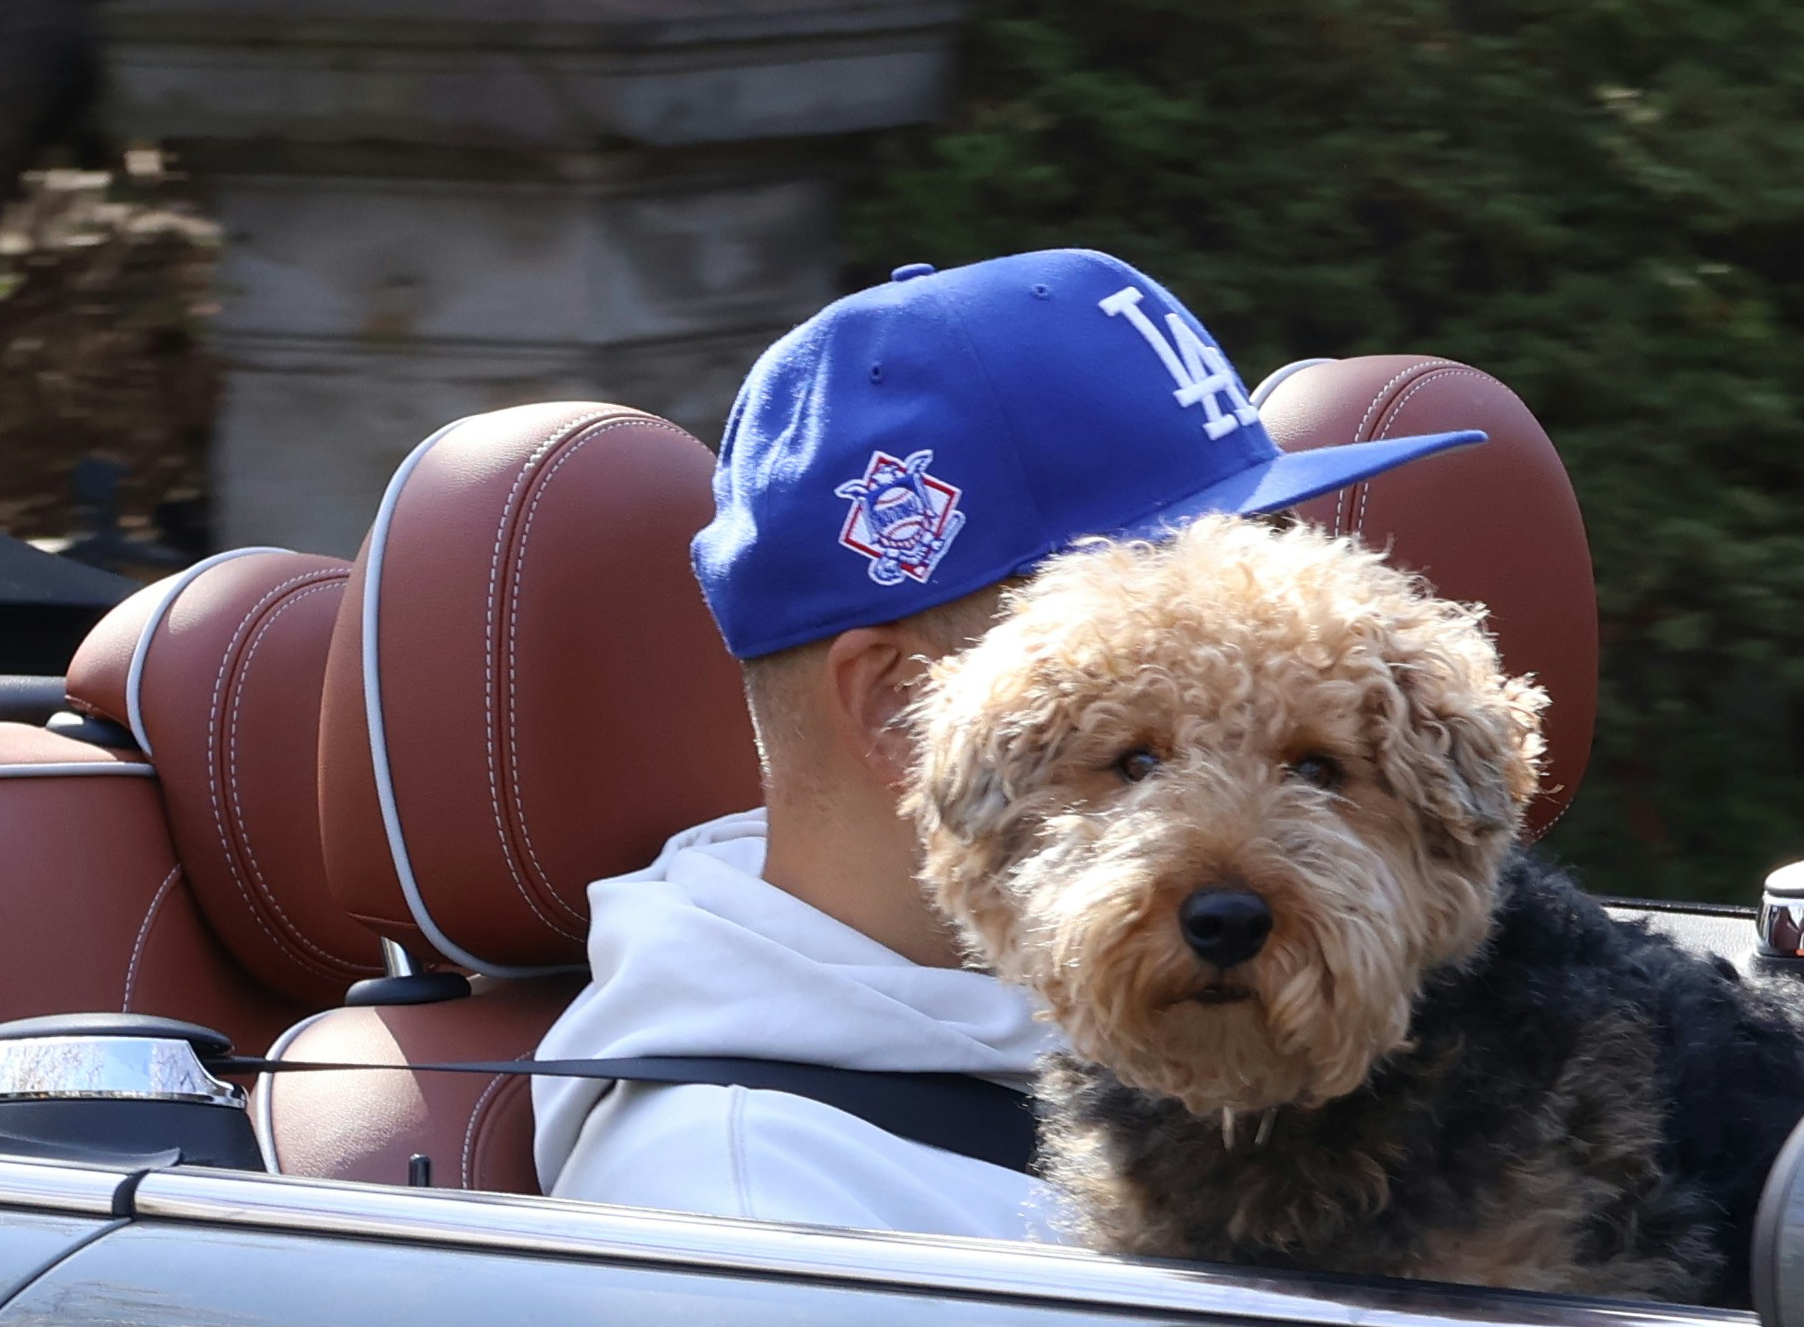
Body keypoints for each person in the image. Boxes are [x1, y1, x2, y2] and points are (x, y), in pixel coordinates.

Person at [529, 249, 1482, 1239]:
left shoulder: (1299, 1036)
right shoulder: (754, 1217)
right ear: (909, 709)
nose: (1250, 631)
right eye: (1161, 618)